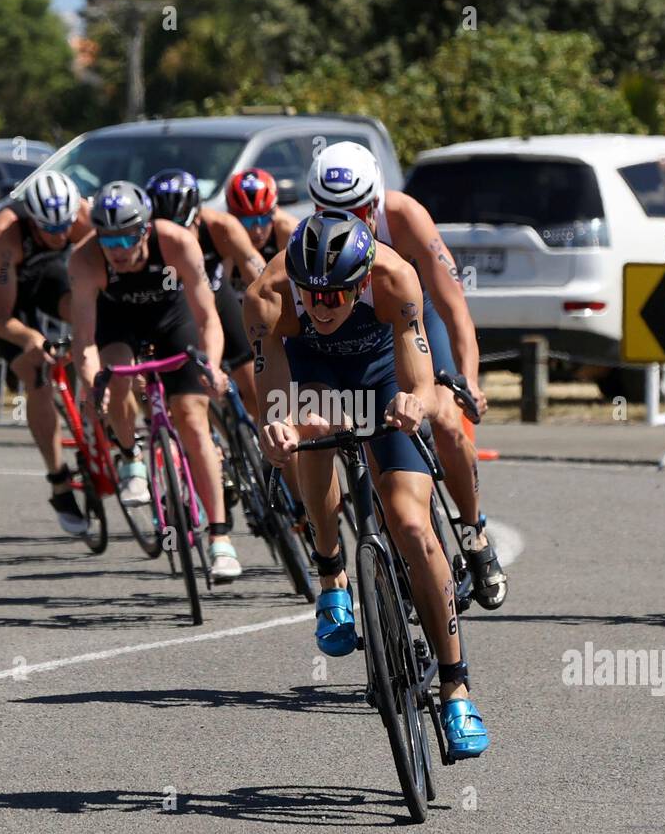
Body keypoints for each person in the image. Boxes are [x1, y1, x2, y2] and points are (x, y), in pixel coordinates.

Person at [244, 209, 490, 758]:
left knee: (410, 522)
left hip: (380, 371)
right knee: (306, 424)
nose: (321, 305)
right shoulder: (267, 294)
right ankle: (331, 575)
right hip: (316, 375)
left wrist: (413, 402)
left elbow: (422, 384)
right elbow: (273, 393)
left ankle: (456, 688)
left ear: (363, 280)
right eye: (311, 295)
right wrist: (276, 425)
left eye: (336, 295)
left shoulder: (395, 277)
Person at [307, 142, 506, 608]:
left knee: (449, 419)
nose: (349, 221)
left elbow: (453, 301)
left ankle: (473, 533)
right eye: (333, 211)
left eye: (359, 209)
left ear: (376, 199)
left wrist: (468, 378)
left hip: (417, 316)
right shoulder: (310, 238)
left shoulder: (404, 216)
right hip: (360, 329)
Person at [67, 181, 242, 581]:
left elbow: (207, 318)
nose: (118, 249)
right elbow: (84, 339)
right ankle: (131, 458)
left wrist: (212, 367)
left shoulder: (177, 242)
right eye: (109, 239)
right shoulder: (84, 259)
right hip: (118, 324)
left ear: (146, 229)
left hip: (172, 318)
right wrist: (94, 381)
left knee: (192, 418)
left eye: (128, 236)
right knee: (115, 380)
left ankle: (219, 538)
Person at [0, 171, 94, 534]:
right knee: (38, 377)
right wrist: (32, 340)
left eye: (65, 227)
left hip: (51, 275)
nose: (60, 235)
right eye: (50, 229)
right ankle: (59, 479)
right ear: (31, 218)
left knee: (85, 317)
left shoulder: (84, 217)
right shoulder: (4, 235)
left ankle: (100, 433)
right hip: (9, 294)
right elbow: (1, 319)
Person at [145, 168, 266, 419]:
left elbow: (259, 275)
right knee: (189, 397)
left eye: (182, 229)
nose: (176, 238)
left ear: (197, 218)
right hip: (179, 310)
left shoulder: (221, 228)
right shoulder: (149, 240)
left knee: (254, 386)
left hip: (217, 298)